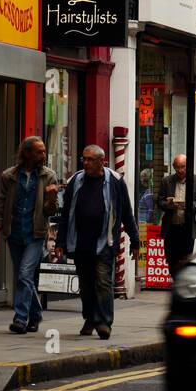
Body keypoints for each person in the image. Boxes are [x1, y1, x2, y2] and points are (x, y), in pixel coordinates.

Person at [56, 144, 138, 340]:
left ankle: (104, 322)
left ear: (102, 161)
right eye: (84, 159)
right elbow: (66, 214)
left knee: (103, 282)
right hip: (80, 242)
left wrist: (135, 241)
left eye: (90, 159)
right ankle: (90, 318)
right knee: (85, 284)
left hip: (105, 242)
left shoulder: (115, 182)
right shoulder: (76, 180)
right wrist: (60, 241)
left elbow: (126, 212)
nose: (85, 163)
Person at [0, 136, 59, 335]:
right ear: (27, 153)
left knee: (24, 274)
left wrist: (52, 198)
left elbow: (50, 211)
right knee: (23, 277)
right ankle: (36, 314)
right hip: (14, 232)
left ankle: (20, 319)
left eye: (44, 151)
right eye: (39, 151)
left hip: (35, 234)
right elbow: (0, 205)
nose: (43, 155)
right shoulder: (9, 176)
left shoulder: (49, 176)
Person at [158, 154, 196, 280]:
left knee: (185, 259)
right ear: (174, 167)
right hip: (171, 227)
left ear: (188, 167)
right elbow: (159, 201)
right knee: (171, 259)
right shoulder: (167, 181)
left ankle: (182, 283)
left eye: (183, 167)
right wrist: (168, 205)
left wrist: (189, 205)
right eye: (177, 168)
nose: (180, 170)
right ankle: (176, 280)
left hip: (188, 228)